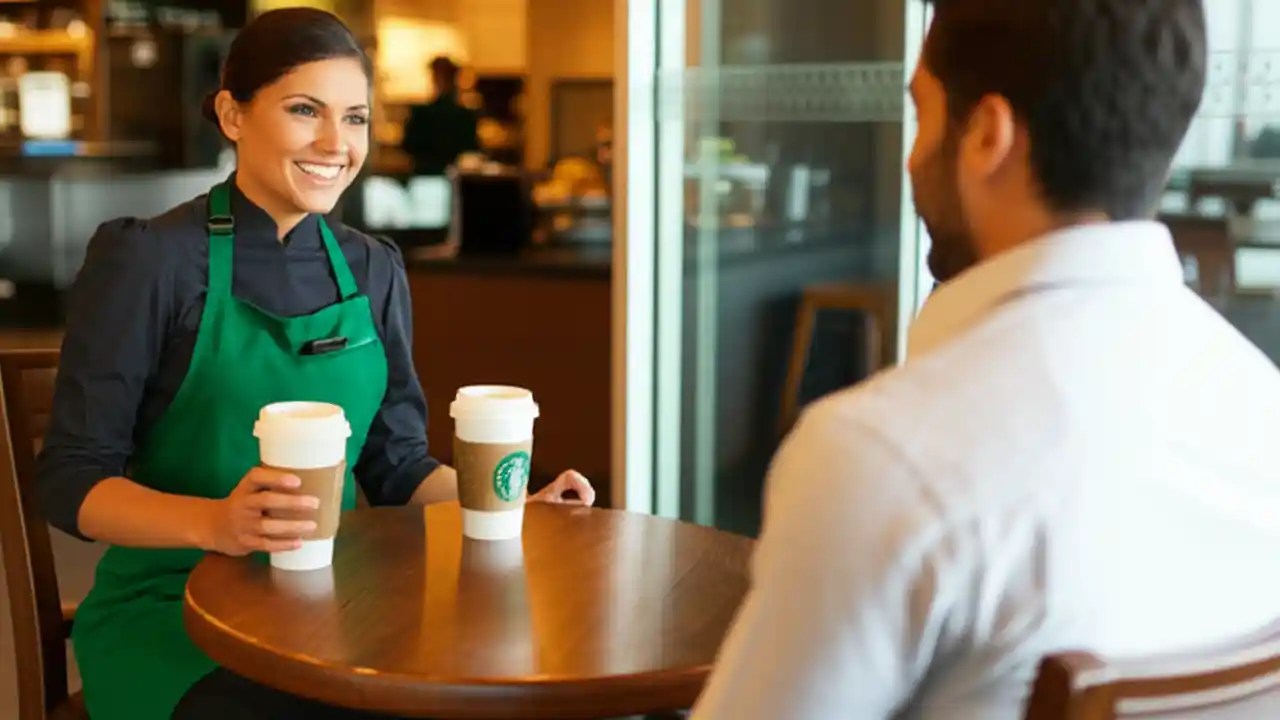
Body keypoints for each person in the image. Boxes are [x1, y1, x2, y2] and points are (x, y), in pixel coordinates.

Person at [694, 1, 1280, 718]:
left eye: (922, 115)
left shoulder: (885, 459)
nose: (912, 158)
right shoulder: (1261, 406)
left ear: (986, 137)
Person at [36, 9, 593, 720]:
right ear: (233, 115)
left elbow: (395, 466)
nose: (337, 143)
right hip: (172, 613)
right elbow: (71, 481)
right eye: (305, 110)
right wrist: (217, 524)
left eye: (355, 118)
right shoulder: (150, 259)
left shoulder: (372, 267)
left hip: (337, 603)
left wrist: (511, 505)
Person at [400, 56, 480, 175]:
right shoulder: (465, 116)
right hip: (453, 175)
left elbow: (407, 146)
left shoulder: (422, 114)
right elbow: (472, 148)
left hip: (425, 175)